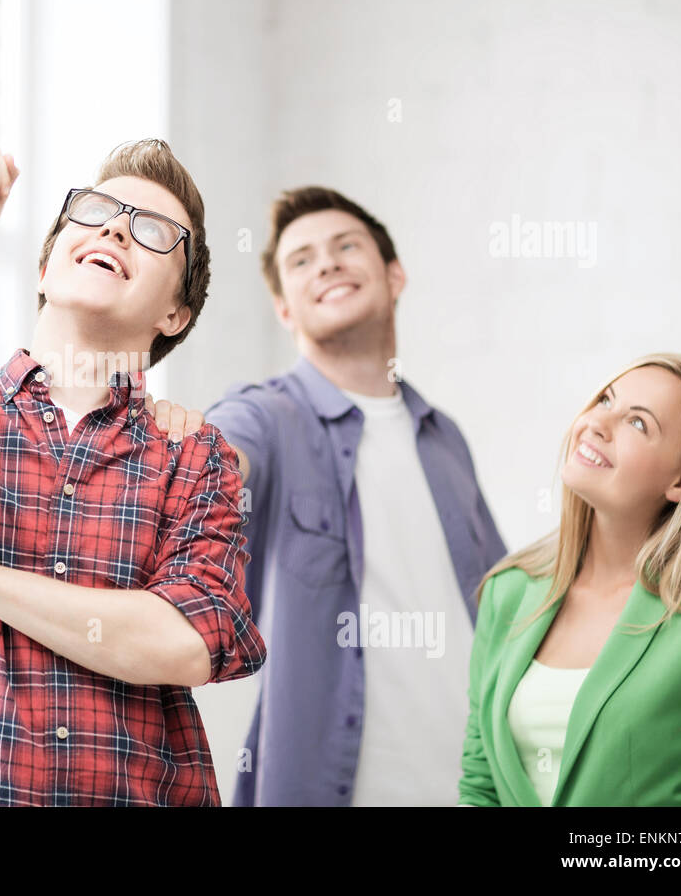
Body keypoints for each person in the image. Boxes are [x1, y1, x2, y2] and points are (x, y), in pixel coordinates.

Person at [0, 88, 266, 806]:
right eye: (97, 213)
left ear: (177, 311)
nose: (114, 231)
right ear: (48, 267)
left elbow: (181, 642)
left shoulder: (195, 455)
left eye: (150, 231)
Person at [203, 187, 506, 805]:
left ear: (395, 276)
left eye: (346, 247)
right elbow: (216, 461)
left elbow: (507, 603)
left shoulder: (444, 437)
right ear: (284, 310)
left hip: (477, 785)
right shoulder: (265, 415)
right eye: (302, 260)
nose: (328, 264)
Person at [460, 354, 681, 805]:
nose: (596, 423)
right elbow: (479, 785)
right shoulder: (508, 590)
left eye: (637, 423)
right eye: (605, 400)